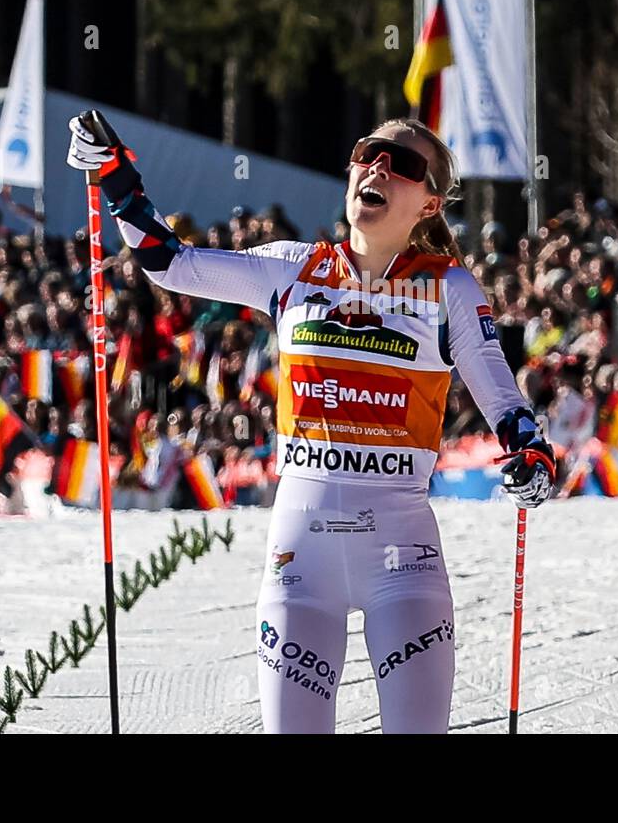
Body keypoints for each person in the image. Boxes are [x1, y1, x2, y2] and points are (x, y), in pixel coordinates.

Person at [67, 111, 555, 734]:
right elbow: (171, 264)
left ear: (430, 204)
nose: (377, 167)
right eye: (368, 152)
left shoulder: (448, 289)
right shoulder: (293, 268)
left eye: (402, 164)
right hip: (300, 564)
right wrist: (116, 177)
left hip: (402, 562)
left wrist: (532, 454)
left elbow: (504, 399)